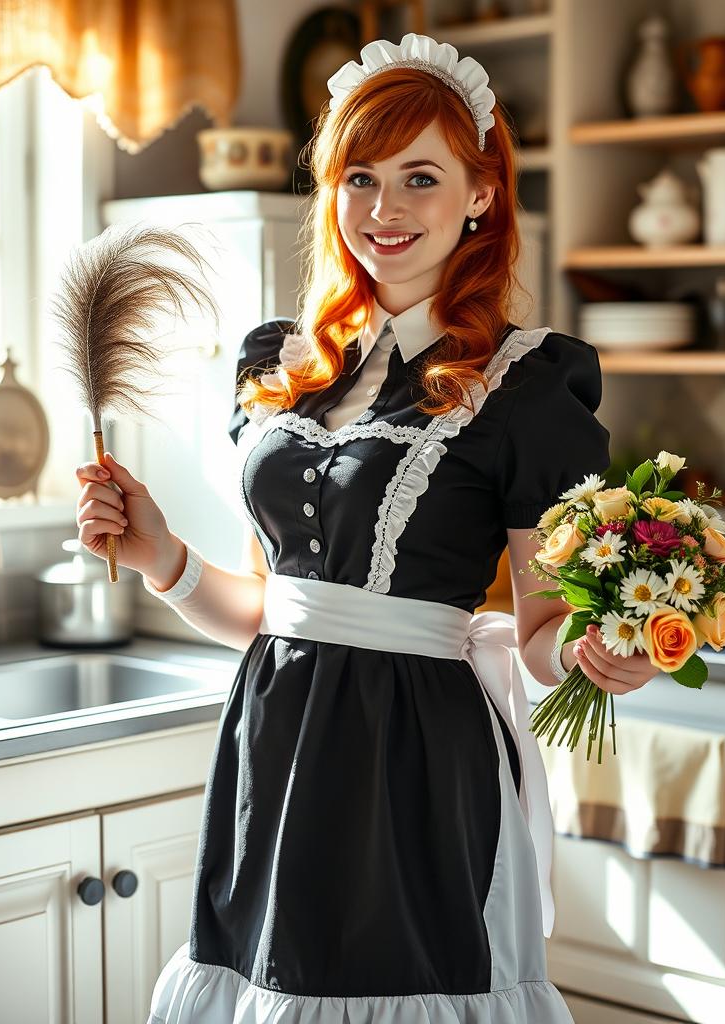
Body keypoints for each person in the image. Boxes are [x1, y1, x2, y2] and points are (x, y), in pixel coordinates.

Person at [74, 31, 658, 1023]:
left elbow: (539, 631)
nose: (382, 211)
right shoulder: (281, 363)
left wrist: (602, 648)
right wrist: (159, 554)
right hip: (272, 738)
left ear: (479, 193)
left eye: (419, 178)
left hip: (415, 759)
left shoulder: (528, 387)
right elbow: (278, 610)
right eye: (359, 177)